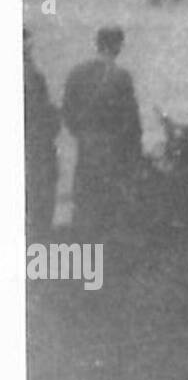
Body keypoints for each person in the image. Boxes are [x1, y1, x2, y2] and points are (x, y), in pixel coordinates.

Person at [61, 25, 142, 237]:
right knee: (111, 206)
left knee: (84, 203)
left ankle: (84, 254)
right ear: (117, 46)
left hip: (86, 148)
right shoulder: (121, 76)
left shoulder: (76, 73)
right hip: (113, 152)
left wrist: (84, 135)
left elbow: (68, 113)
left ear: (97, 44)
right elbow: (132, 123)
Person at [24, 26, 60, 237]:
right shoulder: (32, 75)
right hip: (37, 145)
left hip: (35, 142)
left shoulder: (32, 73)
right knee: (41, 195)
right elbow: (41, 111)